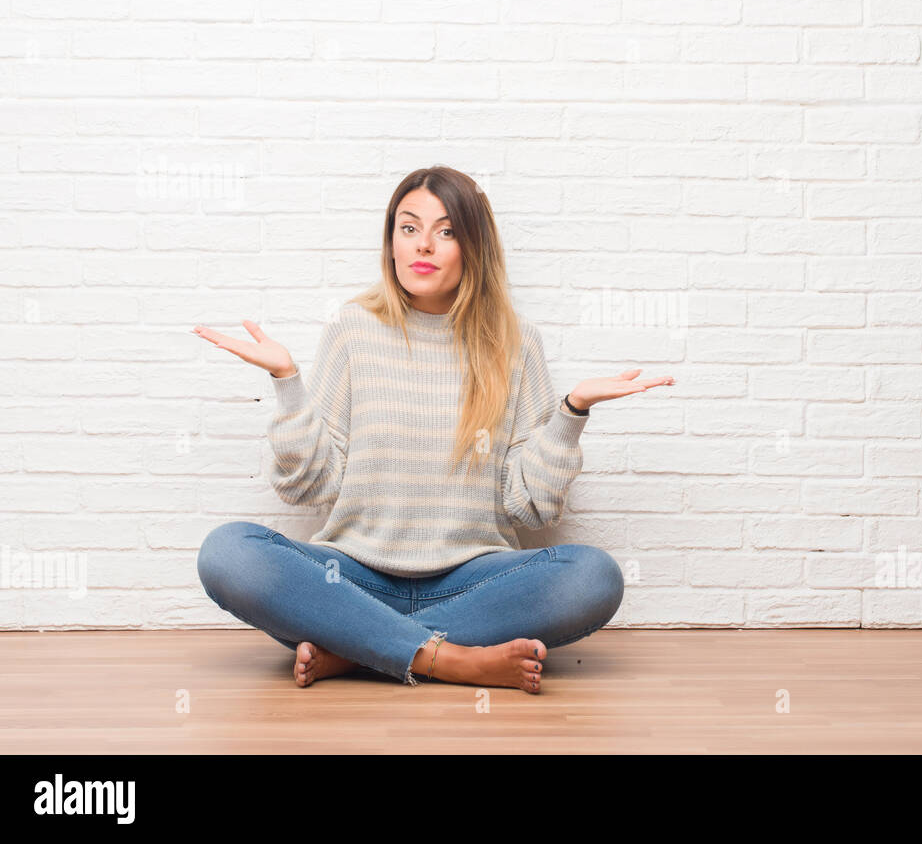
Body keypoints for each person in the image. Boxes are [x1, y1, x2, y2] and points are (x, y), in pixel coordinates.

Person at [192, 166, 674, 692]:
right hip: (352, 578)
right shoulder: (353, 329)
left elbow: (529, 507)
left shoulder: (517, 344)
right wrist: (287, 382)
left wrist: (571, 414)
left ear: (473, 246)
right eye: (408, 228)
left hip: (472, 582)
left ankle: (361, 650)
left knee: (594, 576)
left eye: (445, 231)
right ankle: (453, 661)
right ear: (391, 241)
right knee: (228, 551)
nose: (423, 245)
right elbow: (308, 487)